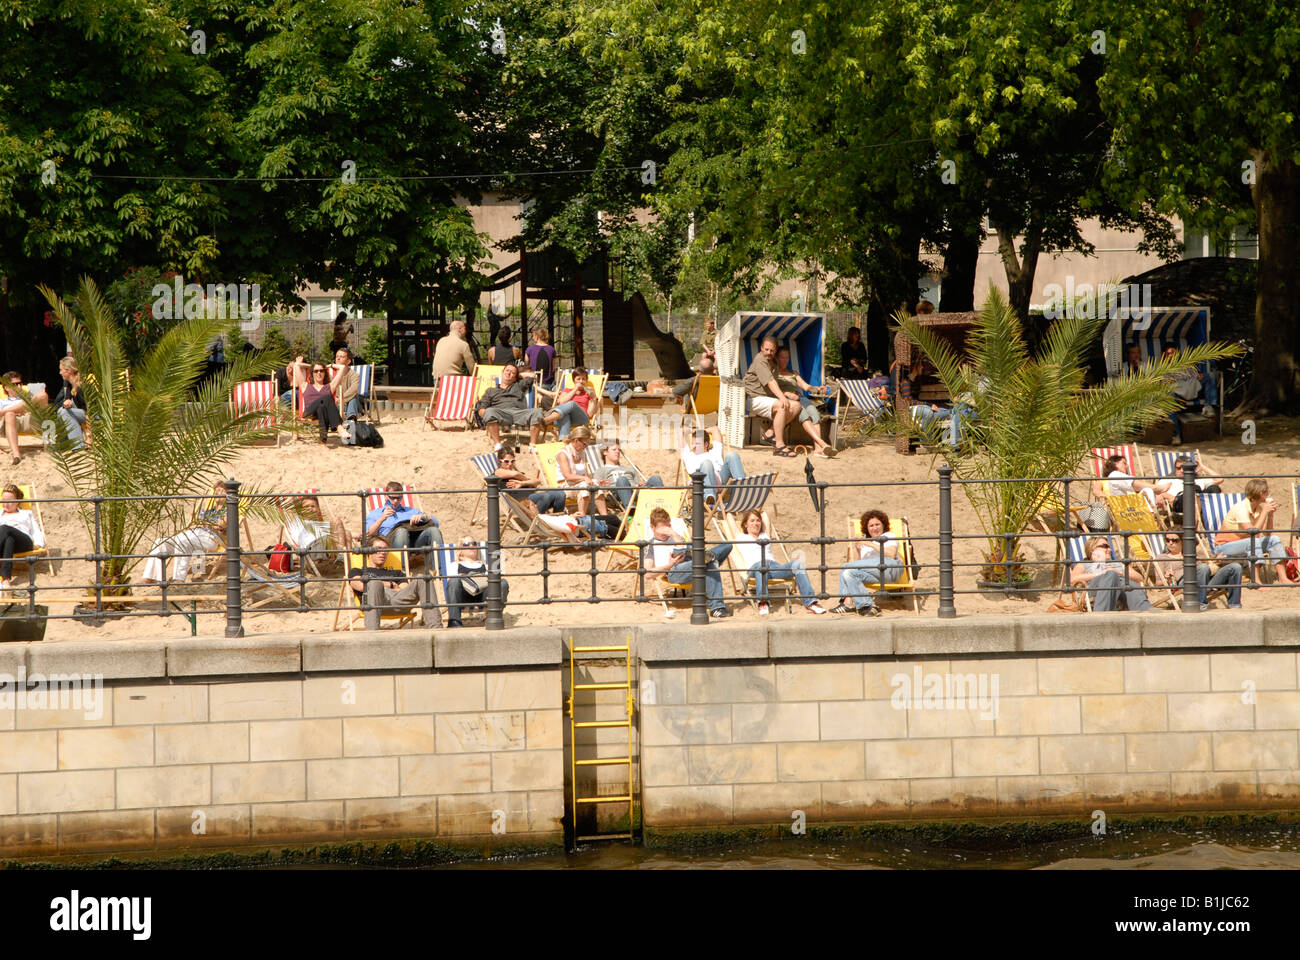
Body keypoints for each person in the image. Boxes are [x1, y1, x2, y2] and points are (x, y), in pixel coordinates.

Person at [733, 509, 827, 615]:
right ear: (745, 524)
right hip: (755, 568)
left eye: (758, 520)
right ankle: (763, 603)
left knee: (798, 564)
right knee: (761, 566)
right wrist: (728, 512)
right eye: (752, 521)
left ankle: (811, 603)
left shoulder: (765, 535)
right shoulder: (741, 537)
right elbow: (728, 520)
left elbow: (765, 515)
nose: (756, 523)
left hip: (773, 567)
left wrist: (760, 511)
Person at [647, 506, 732, 618]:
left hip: (691, 563)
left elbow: (690, 551)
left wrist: (674, 534)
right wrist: (669, 565)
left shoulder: (676, 537)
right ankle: (717, 608)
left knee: (727, 546)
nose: (666, 532)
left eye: (668, 527)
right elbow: (648, 574)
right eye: (663, 529)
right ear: (652, 527)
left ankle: (708, 559)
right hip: (673, 571)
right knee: (708, 562)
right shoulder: (649, 545)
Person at [140, 481, 228, 584]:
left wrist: (207, 523)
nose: (218, 493)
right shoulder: (210, 509)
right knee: (161, 542)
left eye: (222, 490)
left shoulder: (229, 509)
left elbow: (222, 524)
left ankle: (179, 578)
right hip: (196, 534)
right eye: (216, 490)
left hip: (212, 538)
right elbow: (195, 522)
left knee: (183, 542)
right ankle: (150, 576)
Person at [1212, 479, 1296, 584]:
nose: (1268, 495)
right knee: (1253, 541)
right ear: (1261, 494)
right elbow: (1253, 533)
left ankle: (1283, 578)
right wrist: (1265, 512)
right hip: (1225, 547)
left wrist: (1270, 515)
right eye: (1267, 492)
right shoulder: (1241, 508)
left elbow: (1267, 534)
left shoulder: (1258, 509)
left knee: (1274, 539)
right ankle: (1256, 581)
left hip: (1244, 545)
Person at [348, 536, 441, 629]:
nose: (383, 552)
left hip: (399, 603)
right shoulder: (357, 571)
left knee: (423, 579)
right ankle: (372, 633)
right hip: (376, 604)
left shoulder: (397, 572)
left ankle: (436, 629)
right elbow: (359, 585)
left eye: (385, 550)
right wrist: (390, 584)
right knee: (374, 584)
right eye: (378, 549)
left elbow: (404, 590)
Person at [832, 509, 900, 616]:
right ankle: (867, 606)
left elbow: (891, 554)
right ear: (867, 529)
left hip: (889, 570)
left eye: (877, 524)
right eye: (871, 526)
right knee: (848, 573)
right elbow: (860, 565)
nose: (875, 527)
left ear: (883, 525)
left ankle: (846, 603)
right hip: (876, 575)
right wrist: (858, 548)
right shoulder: (866, 543)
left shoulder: (888, 536)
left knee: (846, 566)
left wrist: (870, 543)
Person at [1152, 532, 1243, 610]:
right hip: (1183, 584)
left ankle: (1234, 604)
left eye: (1174, 540)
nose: (1170, 543)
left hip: (1203, 584)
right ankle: (1200, 603)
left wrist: (1216, 563)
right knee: (1202, 567)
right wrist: (1166, 577)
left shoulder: (1191, 555)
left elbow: (1203, 571)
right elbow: (1158, 583)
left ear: (1182, 541)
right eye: (1167, 540)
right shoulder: (1162, 557)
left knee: (1235, 567)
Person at [743, 336, 801, 456]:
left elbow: (773, 386)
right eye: (766, 349)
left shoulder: (774, 363)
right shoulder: (760, 360)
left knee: (796, 406)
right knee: (782, 405)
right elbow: (771, 382)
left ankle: (769, 434)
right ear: (761, 348)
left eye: (772, 350)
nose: (769, 353)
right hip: (753, 398)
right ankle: (779, 446)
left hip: (766, 398)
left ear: (775, 351)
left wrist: (784, 394)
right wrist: (783, 397)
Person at [774, 346, 835, 458]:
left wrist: (817, 389)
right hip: (787, 401)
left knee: (815, 415)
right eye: (782, 357)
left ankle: (817, 449)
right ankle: (822, 444)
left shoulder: (793, 373)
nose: (785, 360)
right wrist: (786, 394)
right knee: (805, 416)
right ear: (777, 358)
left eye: (787, 358)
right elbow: (772, 390)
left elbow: (806, 387)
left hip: (800, 398)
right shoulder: (774, 374)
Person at [364, 481, 445, 563]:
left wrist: (423, 517)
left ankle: (441, 570)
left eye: (398, 498)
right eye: (392, 498)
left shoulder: (410, 510)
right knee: (401, 531)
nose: (395, 501)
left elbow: (436, 523)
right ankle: (402, 571)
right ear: (386, 496)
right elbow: (369, 534)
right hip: (391, 543)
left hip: (415, 542)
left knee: (434, 530)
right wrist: (382, 518)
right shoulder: (376, 513)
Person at [1069, 537, 1154, 611]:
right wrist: (1102, 573)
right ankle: (1100, 616)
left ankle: (1146, 610)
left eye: (1109, 547)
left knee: (1128, 584)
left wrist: (1118, 572)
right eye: (1105, 546)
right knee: (1111, 575)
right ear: (1092, 549)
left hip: (1120, 589)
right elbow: (1073, 579)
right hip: (1097, 590)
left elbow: (1139, 578)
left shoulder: (1119, 563)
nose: (1109, 549)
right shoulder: (1085, 564)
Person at [475, 362, 545, 448]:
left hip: (519, 413)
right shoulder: (490, 391)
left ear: (516, 377)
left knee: (537, 411)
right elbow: (482, 408)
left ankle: (533, 445)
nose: (508, 373)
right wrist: (486, 415)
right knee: (489, 411)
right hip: (501, 415)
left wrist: (519, 375)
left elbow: (532, 376)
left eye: (512, 373)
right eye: (507, 371)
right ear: (502, 373)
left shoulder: (519, 385)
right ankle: (498, 444)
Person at [445, 538, 509, 627]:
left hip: (482, 594)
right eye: (467, 544)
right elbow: (452, 586)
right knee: (454, 580)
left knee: (502, 583)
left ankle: (494, 617)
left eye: (474, 543)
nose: (471, 546)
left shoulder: (486, 565)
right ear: (461, 550)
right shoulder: (455, 565)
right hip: (464, 594)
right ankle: (455, 622)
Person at [679, 425, 745, 505]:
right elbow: (680, 431)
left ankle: (744, 490)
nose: (694, 446)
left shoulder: (714, 452)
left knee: (732, 455)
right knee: (707, 463)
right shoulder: (689, 455)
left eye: (697, 443)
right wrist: (694, 431)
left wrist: (701, 432)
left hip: (721, 481)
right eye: (693, 443)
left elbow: (715, 429)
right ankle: (709, 497)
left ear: (706, 444)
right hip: (701, 483)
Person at [493, 444, 567, 515]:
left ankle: (557, 519)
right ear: (499, 462)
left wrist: (522, 483)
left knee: (560, 494)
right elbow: (516, 475)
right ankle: (538, 520)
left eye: (512, 461)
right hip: (522, 501)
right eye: (506, 461)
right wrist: (527, 480)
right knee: (546, 496)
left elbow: (537, 481)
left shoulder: (519, 474)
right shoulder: (498, 472)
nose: (510, 464)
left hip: (533, 497)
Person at [0, 483, 45, 597]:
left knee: (5, 528)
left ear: (17, 501)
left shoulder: (26, 513)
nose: (6, 503)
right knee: (9, 540)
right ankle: (5, 580)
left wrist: (39, 543)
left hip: (24, 541)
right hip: (7, 544)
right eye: (3, 500)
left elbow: (35, 529)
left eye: (10, 500)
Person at [593, 439, 664, 509]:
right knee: (622, 480)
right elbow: (596, 488)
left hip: (635, 491)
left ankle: (664, 504)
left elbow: (637, 483)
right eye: (614, 450)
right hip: (618, 494)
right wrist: (602, 485)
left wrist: (640, 484)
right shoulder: (600, 470)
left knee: (656, 478)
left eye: (619, 450)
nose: (617, 452)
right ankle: (631, 510)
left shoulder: (630, 469)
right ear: (605, 452)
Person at [554, 426, 608, 518]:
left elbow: (586, 475)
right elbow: (567, 476)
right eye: (585, 444)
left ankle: (606, 517)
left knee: (594, 486)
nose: (586, 447)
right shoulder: (563, 454)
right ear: (576, 440)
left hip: (579, 484)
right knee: (585, 487)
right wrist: (584, 479)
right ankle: (581, 516)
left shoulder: (582, 454)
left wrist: (596, 481)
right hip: (565, 485)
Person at [1, 372, 49, 466]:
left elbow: (43, 397)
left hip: (30, 420)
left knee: (42, 396)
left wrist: (25, 408)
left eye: (20, 383)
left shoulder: (30, 397)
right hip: (11, 423)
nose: (19, 387)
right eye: (15, 384)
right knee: (9, 415)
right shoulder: (2, 402)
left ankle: (50, 446)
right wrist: (13, 412)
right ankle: (16, 455)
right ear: (6, 387)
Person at [1102, 453, 1175, 510]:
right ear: (1114, 464)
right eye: (1124, 463)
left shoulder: (1124, 479)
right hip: (1121, 508)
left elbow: (1139, 491)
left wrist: (1156, 495)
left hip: (1133, 505)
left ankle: (1152, 514)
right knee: (1115, 475)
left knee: (1148, 490)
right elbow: (1096, 490)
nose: (1127, 466)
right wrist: (1106, 496)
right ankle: (1156, 488)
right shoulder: (1111, 476)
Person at [1164, 345, 1203, 445]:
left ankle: (1210, 404)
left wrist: (1199, 376)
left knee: (1209, 377)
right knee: (1170, 402)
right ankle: (1176, 434)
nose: (1171, 355)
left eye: (1173, 352)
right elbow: (1165, 383)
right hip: (1176, 393)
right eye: (1169, 353)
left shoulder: (1186, 366)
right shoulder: (1164, 368)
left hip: (1190, 389)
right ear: (1165, 356)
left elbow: (1196, 376)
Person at [299, 362, 346, 443]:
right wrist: (310, 366)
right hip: (309, 413)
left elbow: (342, 367)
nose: (319, 373)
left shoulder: (329, 386)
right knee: (327, 398)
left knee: (322, 407)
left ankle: (323, 441)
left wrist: (330, 366)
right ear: (312, 373)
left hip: (323, 413)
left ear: (325, 373)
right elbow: (296, 365)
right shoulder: (305, 385)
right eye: (316, 371)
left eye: (321, 371)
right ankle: (339, 427)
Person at [540, 369, 595, 439]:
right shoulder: (567, 390)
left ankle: (547, 420)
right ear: (574, 381)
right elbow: (561, 403)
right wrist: (575, 390)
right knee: (565, 416)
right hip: (564, 417)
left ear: (586, 381)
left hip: (581, 419)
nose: (581, 381)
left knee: (572, 404)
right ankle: (563, 442)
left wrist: (593, 397)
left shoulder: (588, 393)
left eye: (583, 379)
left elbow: (590, 414)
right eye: (578, 379)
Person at [53, 357, 88, 450]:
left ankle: (76, 444)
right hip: (83, 412)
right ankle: (67, 442)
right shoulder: (69, 383)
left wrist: (89, 436)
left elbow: (90, 410)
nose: (60, 373)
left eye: (61, 370)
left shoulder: (82, 386)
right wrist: (67, 400)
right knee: (62, 410)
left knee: (63, 412)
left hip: (92, 415)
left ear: (69, 371)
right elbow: (67, 397)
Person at [329, 348, 362, 419]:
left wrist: (341, 398)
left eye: (342, 357)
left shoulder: (354, 374)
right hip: (335, 404)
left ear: (348, 361)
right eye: (337, 356)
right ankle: (351, 420)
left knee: (353, 397)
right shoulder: (330, 374)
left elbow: (353, 389)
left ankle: (351, 419)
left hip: (349, 404)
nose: (338, 358)